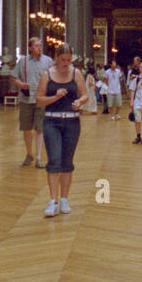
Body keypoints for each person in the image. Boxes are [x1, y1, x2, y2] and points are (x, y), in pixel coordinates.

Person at [35, 44, 89, 217]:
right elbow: (39, 100)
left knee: (67, 161)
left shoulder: (76, 74)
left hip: (72, 122)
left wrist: (79, 102)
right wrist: (55, 97)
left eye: (68, 60)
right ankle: (53, 201)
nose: (66, 63)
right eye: (63, 59)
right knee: (54, 159)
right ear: (57, 58)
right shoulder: (47, 75)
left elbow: (85, 94)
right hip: (52, 121)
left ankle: (64, 198)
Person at [11, 37, 53, 166]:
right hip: (26, 99)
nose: (39, 48)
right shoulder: (22, 61)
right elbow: (14, 76)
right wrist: (20, 84)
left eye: (40, 45)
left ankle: (39, 157)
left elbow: (53, 77)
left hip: (41, 99)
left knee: (40, 128)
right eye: (36, 46)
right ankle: (29, 154)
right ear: (30, 48)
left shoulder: (48, 61)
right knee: (26, 128)